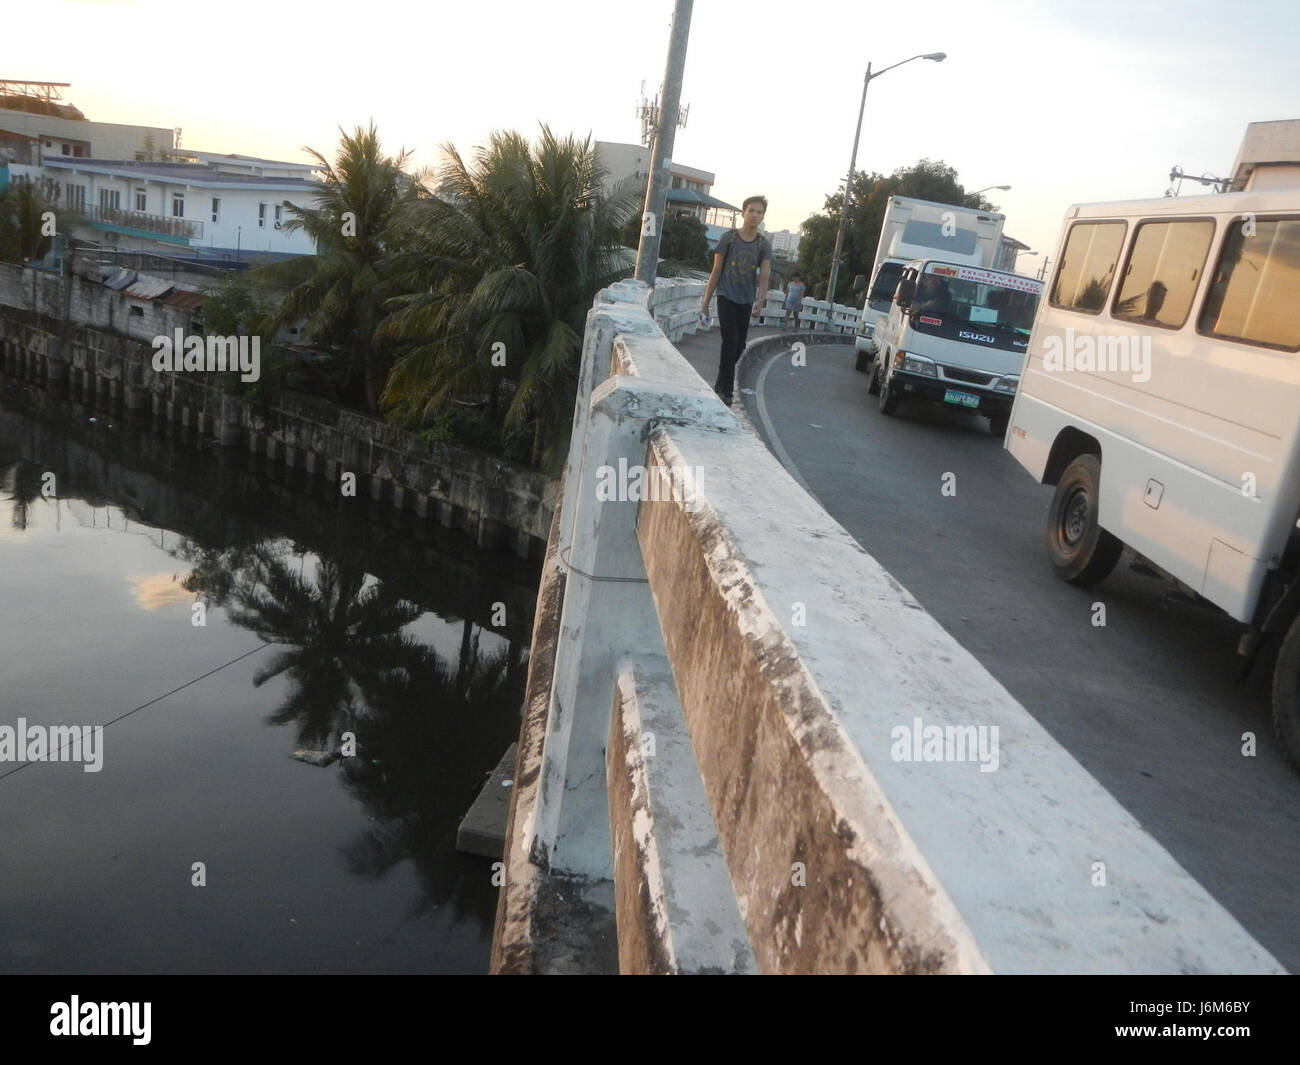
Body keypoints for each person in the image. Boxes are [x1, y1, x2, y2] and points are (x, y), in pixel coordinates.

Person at [701, 196, 771, 404]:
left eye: (759, 212)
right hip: (725, 296)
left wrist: (760, 301)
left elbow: (765, 277)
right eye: (751, 210)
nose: (755, 215)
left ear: (762, 216)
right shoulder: (728, 239)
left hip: (746, 299)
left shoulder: (763, 245)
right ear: (743, 213)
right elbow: (715, 271)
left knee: (739, 346)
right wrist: (705, 303)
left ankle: (720, 382)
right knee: (730, 341)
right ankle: (727, 392)